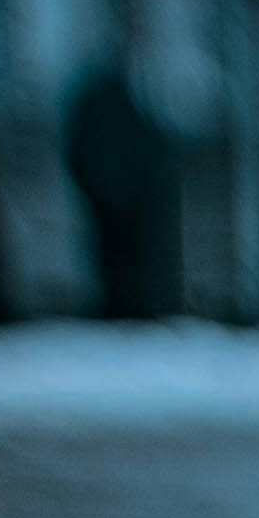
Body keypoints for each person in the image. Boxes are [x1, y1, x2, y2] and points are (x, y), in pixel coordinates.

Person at [63, 48, 173, 321]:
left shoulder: (106, 102)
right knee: (121, 256)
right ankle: (125, 308)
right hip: (118, 196)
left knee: (119, 256)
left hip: (116, 195)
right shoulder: (124, 102)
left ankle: (123, 307)